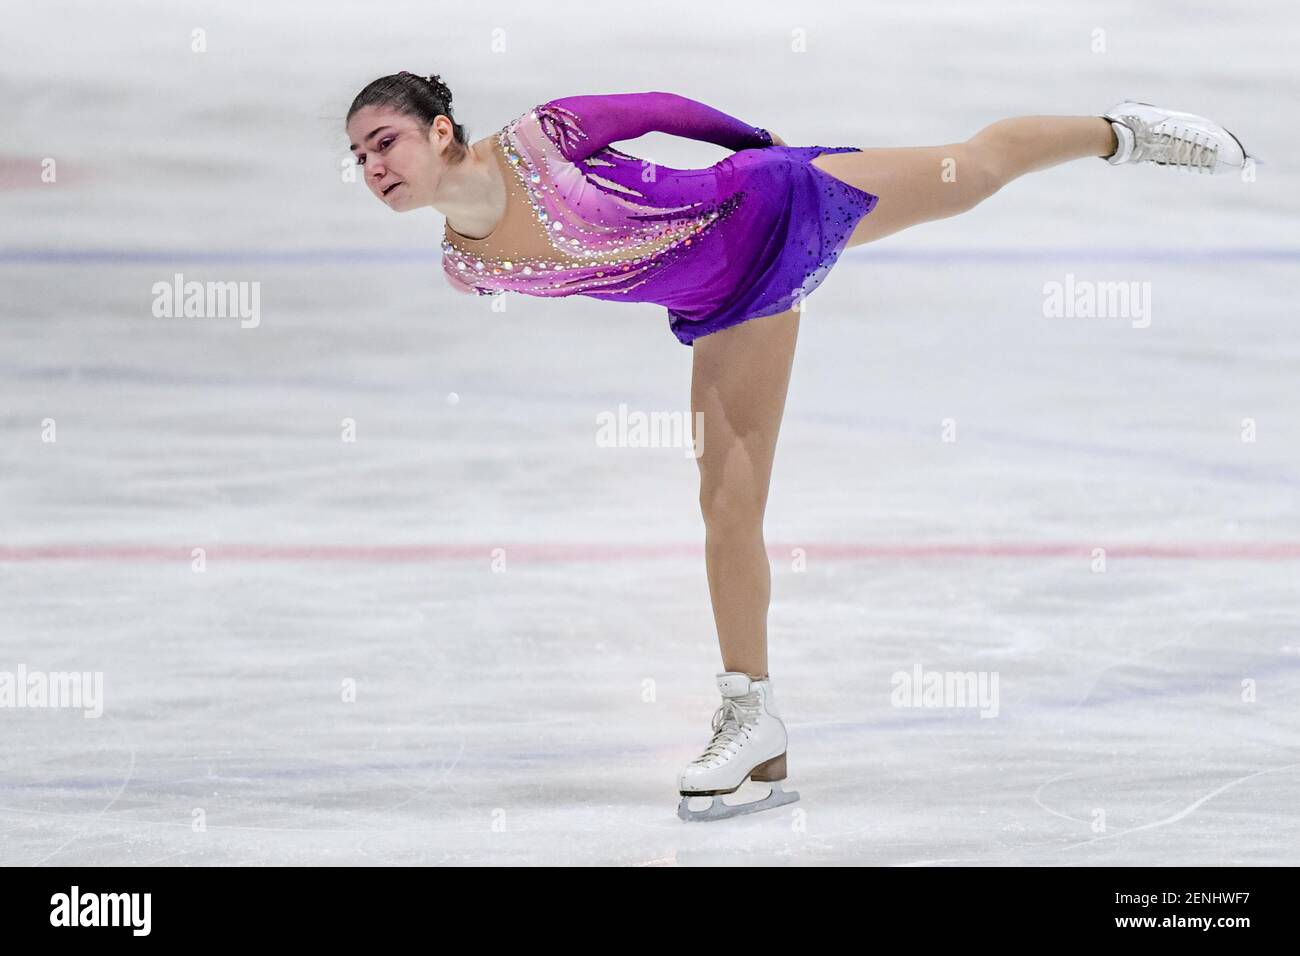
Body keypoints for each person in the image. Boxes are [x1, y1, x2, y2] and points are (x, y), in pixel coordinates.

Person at [345, 73, 1254, 822]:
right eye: (359, 156)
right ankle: (754, 715)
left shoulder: (542, 139)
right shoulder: (471, 268)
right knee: (726, 503)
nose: (373, 165)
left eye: (384, 140)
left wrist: (757, 141)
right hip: (725, 306)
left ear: (441, 128)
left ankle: (1120, 130)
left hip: (778, 200)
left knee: (970, 173)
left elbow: (662, 111)